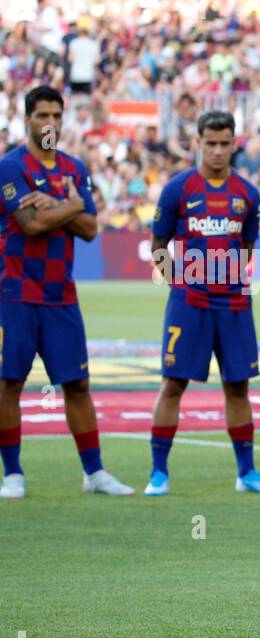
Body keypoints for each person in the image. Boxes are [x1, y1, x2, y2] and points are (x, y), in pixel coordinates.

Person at [0, 85, 132, 499]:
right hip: (16, 292)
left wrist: (61, 205)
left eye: (57, 115)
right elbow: (30, 223)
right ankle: (13, 474)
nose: (51, 123)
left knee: (77, 384)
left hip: (61, 294)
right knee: (9, 384)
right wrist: (74, 206)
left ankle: (94, 473)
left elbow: (92, 230)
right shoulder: (10, 167)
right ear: (27, 120)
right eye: (42, 116)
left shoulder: (75, 167)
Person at [145, 110, 260, 495]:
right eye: (211, 144)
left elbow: (248, 246)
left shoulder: (247, 194)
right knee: (173, 384)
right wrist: (180, 285)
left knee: (238, 387)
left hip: (234, 305)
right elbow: (159, 246)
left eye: (225, 144)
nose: (218, 151)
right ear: (198, 143)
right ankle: (158, 473)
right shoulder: (178, 189)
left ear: (234, 143)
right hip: (190, 303)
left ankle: (247, 473)